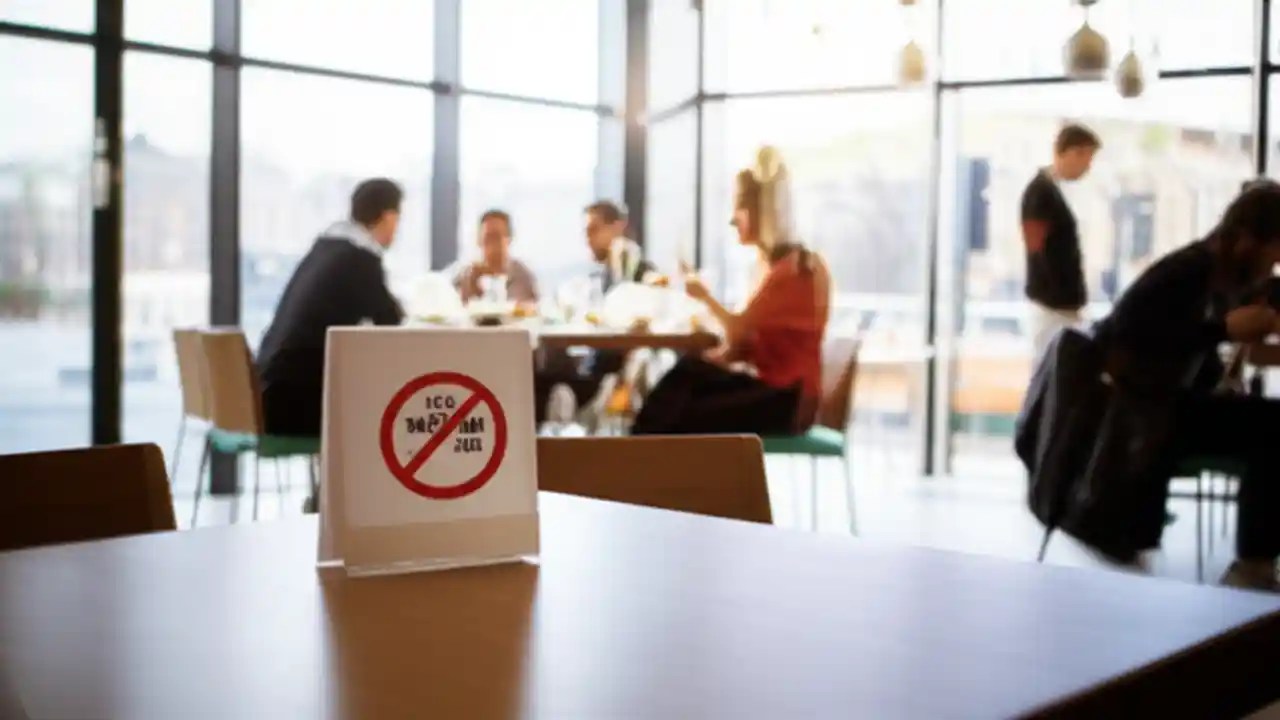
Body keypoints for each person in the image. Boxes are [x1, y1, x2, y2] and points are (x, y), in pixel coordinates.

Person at [1022, 181, 1280, 591]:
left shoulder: (1210, 273)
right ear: (1250, 240)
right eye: (1274, 252)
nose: (1274, 264)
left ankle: (1256, 562)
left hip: (1156, 408)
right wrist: (1222, 330)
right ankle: (1254, 564)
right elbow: (1131, 338)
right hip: (1141, 414)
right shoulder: (1188, 271)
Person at [632, 147, 830, 435]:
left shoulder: (796, 270)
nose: (732, 219)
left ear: (761, 212)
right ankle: (642, 462)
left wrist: (704, 296)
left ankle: (637, 462)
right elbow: (749, 341)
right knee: (685, 382)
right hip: (773, 391)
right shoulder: (772, 266)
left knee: (682, 403)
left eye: (739, 207)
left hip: (788, 401)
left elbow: (738, 329)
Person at [257, 178, 406, 437]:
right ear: (389, 217)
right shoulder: (360, 258)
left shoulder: (326, 248)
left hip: (265, 397)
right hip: (293, 407)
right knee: (389, 413)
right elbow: (391, 320)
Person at [1022, 123, 1101, 357]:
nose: (1088, 168)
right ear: (1070, 153)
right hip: (1052, 308)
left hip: (1061, 307)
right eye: (1086, 159)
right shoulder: (1039, 195)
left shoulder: (1050, 193)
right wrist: (1060, 295)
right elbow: (1037, 249)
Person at [454, 209, 539, 304]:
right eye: (487, 238)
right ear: (479, 241)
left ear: (509, 239)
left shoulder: (524, 277)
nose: (493, 246)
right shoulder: (464, 276)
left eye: (497, 238)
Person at [584, 200, 657, 290]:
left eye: (594, 230)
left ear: (617, 227)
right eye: (587, 233)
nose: (589, 239)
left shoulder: (645, 276)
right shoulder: (600, 280)